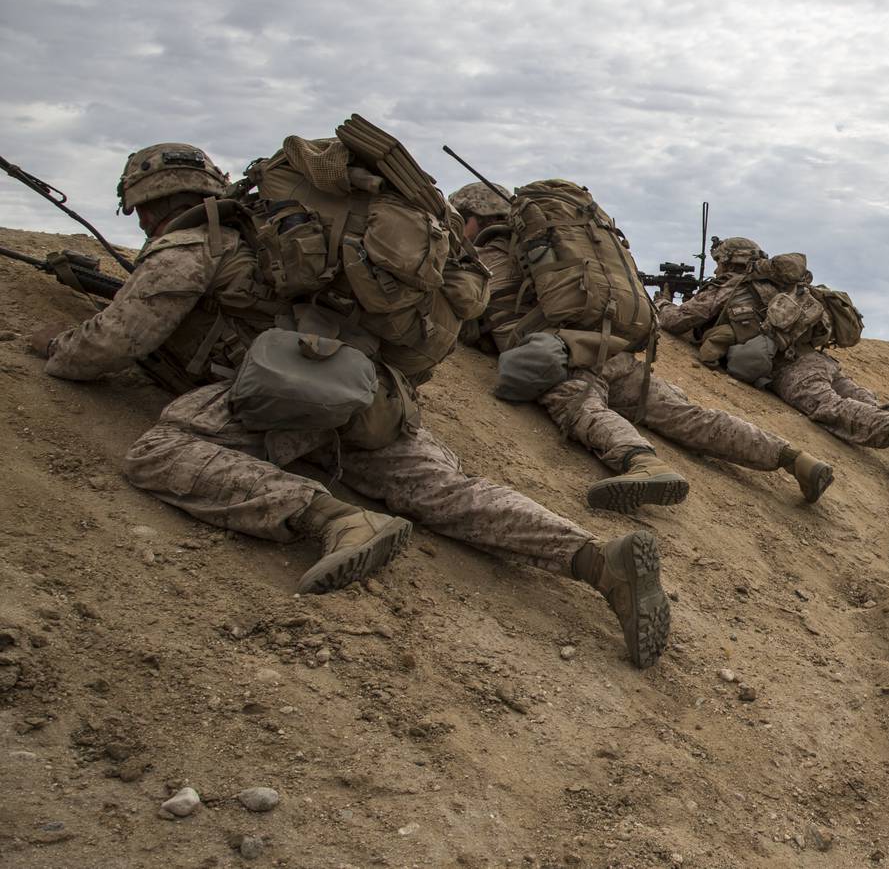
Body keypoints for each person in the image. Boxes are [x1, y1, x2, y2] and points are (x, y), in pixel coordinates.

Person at [33, 141, 670, 669]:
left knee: (158, 450)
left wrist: (54, 347)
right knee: (443, 488)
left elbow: (113, 344)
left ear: (146, 206)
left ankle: (332, 519)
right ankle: (595, 557)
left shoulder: (198, 242)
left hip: (270, 399)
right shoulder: (299, 238)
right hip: (371, 394)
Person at [449, 185, 833, 511]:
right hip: (614, 348)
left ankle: (642, 462)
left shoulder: (493, 253)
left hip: (562, 356)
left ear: (473, 220)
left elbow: (488, 318)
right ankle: (793, 458)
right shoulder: (560, 249)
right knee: (687, 414)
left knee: (581, 407)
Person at [656, 237, 889, 481]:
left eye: (719, 262)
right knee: (874, 403)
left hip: (790, 368)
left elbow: (676, 322)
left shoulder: (730, 287)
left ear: (729, 262)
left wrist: (664, 301)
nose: (716, 268)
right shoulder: (783, 286)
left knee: (828, 408)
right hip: (819, 360)